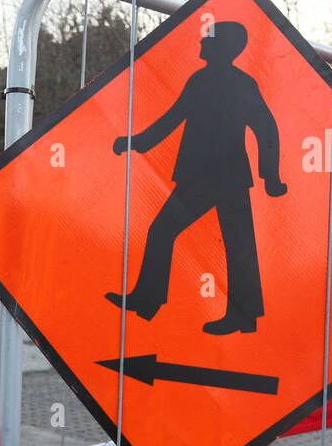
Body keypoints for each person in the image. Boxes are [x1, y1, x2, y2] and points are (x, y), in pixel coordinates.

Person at [111, 21, 287, 335]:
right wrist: (136, 142)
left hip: (219, 177)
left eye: (209, 38)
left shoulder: (239, 84)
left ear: (222, 47)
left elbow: (266, 128)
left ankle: (235, 316)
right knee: (218, 241)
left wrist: (270, 176)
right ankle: (148, 300)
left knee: (221, 242)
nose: (202, 41)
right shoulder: (201, 80)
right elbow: (173, 118)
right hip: (208, 175)